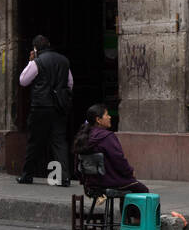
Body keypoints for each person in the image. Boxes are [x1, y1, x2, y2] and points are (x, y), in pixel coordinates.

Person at [18, 34, 74, 186]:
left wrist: (30, 61)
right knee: (59, 141)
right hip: (59, 107)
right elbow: (70, 83)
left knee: (35, 141)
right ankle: (64, 178)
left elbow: (23, 81)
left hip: (41, 106)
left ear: (35, 48)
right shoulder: (63, 60)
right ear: (48, 45)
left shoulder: (37, 62)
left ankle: (27, 175)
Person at [72, 103, 148, 194]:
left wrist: (84, 180)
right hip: (109, 182)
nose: (110, 117)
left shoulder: (83, 137)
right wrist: (130, 172)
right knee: (142, 190)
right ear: (98, 120)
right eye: (107, 115)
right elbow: (119, 160)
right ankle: (125, 209)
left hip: (90, 185)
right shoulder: (107, 137)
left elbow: (77, 166)